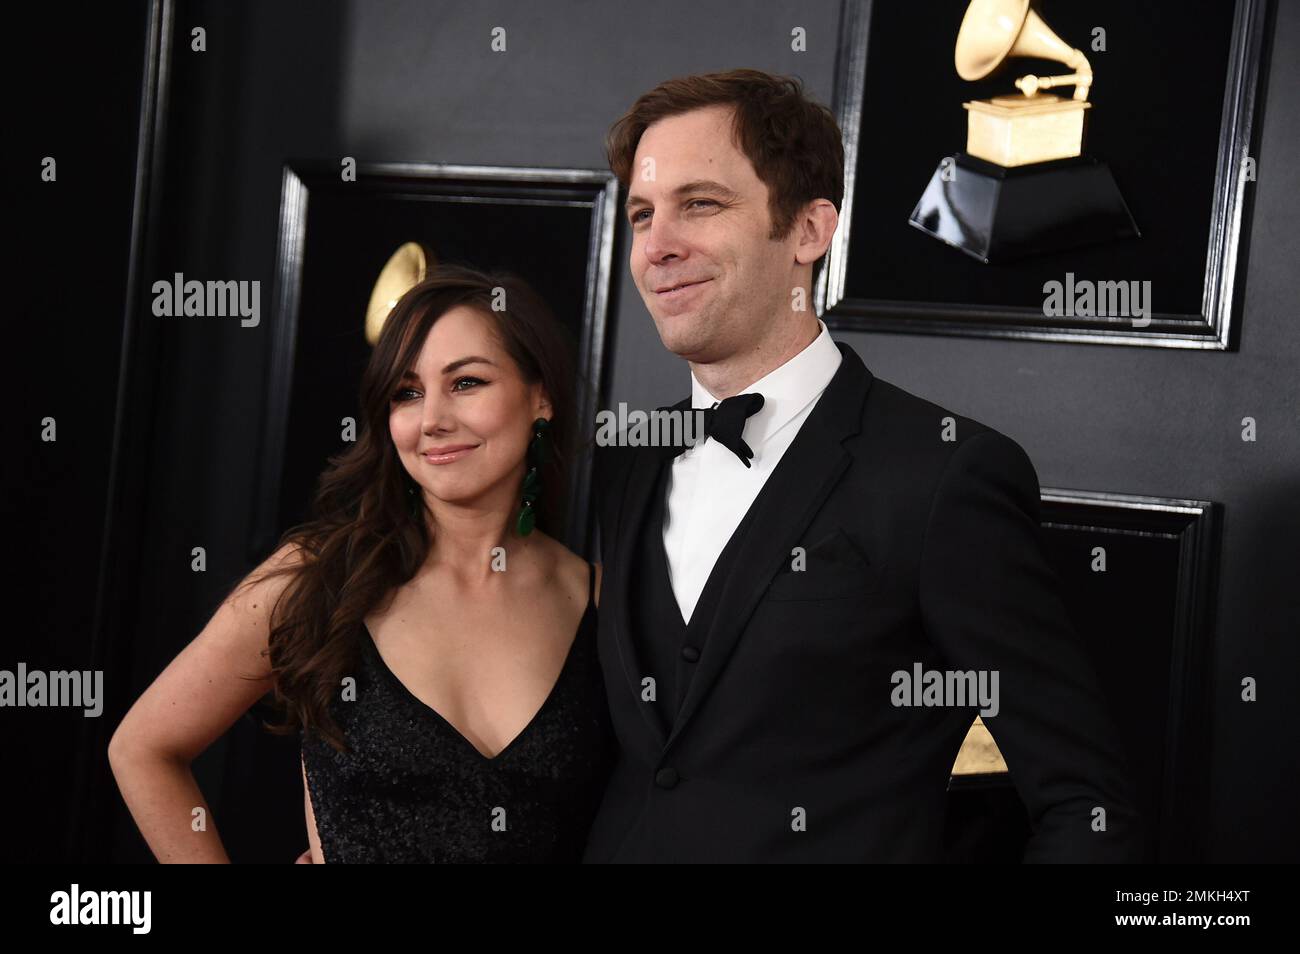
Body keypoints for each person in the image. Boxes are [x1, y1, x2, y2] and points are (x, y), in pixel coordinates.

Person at [583, 69, 1145, 862]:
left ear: (810, 231)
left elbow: (1088, 808)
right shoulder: (625, 460)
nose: (658, 245)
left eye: (700, 203)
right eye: (643, 214)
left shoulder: (948, 475)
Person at [109, 264, 616, 862]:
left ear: (542, 397)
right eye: (407, 393)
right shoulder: (315, 576)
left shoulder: (600, 600)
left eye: (466, 383)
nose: (432, 421)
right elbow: (143, 749)